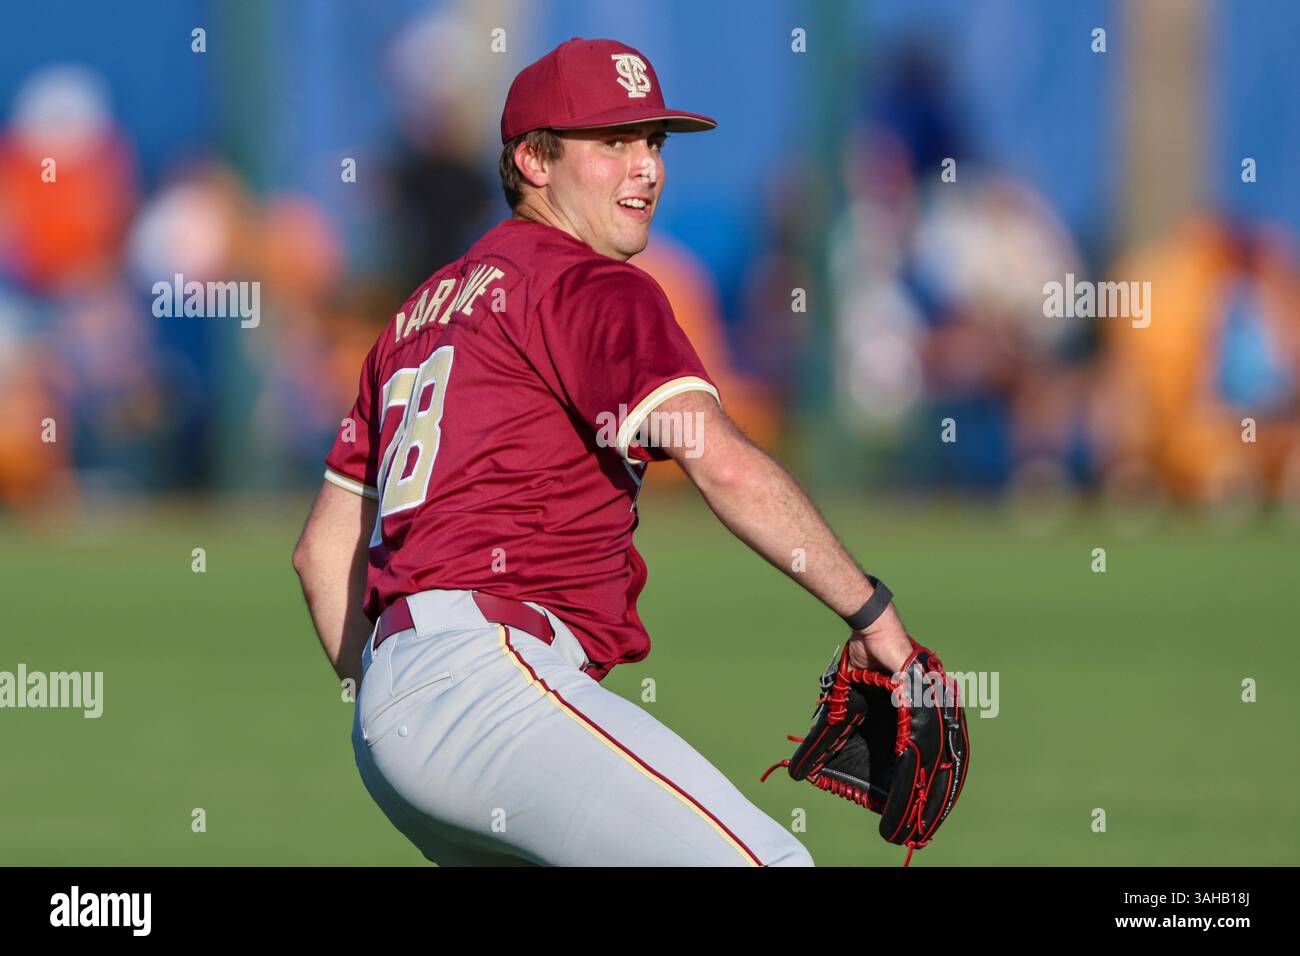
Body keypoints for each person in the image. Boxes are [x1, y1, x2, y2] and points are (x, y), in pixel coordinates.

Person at [293, 37, 915, 866]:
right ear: (533, 160)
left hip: (394, 709)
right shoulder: (590, 285)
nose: (646, 167)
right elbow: (721, 462)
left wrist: (394, 705)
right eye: (612, 142)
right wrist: (874, 618)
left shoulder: (417, 314)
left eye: (654, 141)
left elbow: (319, 552)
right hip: (493, 678)